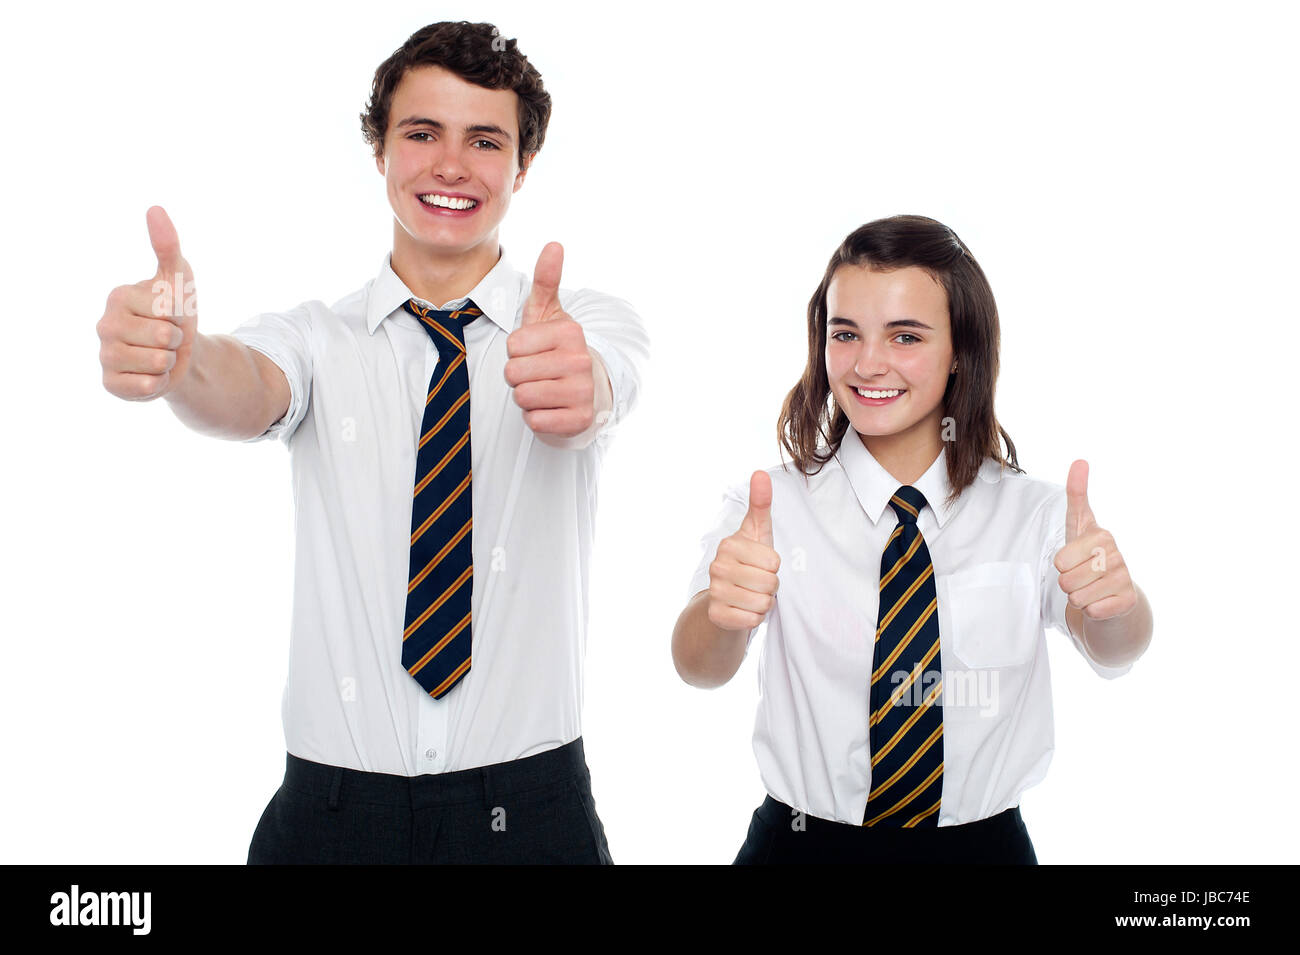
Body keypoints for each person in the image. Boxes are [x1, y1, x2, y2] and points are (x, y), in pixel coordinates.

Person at [95, 21, 648, 864]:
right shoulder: (316, 340)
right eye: (421, 133)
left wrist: (578, 383)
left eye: (485, 140)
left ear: (523, 167)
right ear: (380, 151)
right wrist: (181, 362)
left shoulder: (584, 326)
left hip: (532, 812)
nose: (451, 166)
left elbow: (598, 381)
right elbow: (242, 386)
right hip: (331, 813)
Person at [671, 214, 1152, 864]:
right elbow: (699, 666)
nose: (870, 363)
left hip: (982, 849)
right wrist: (722, 615)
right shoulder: (770, 505)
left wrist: (1117, 607)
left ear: (961, 350)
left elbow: (1114, 649)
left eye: (905, 335)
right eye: (846, 334)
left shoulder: (1033, 513)